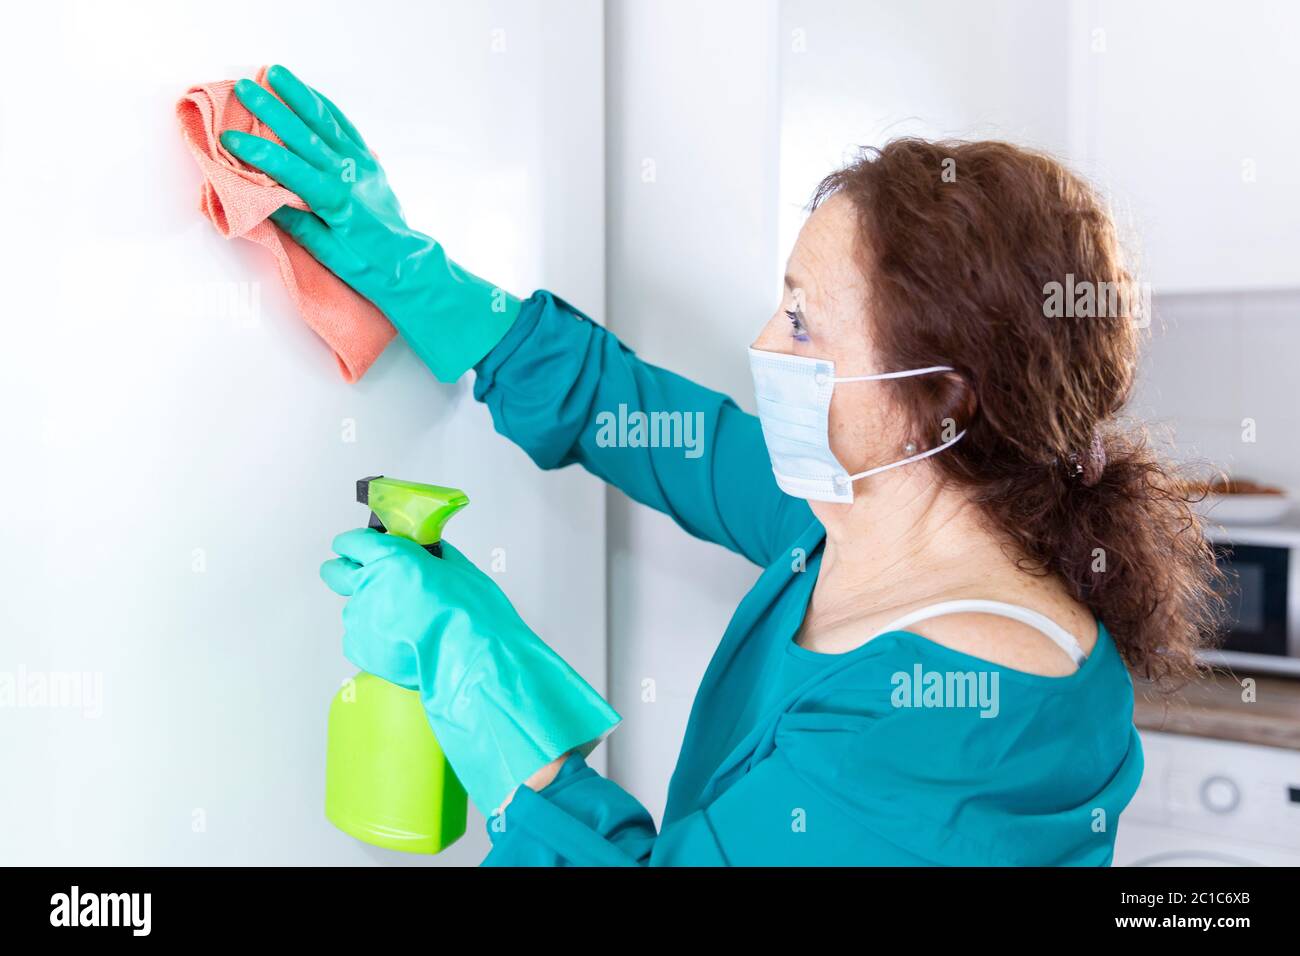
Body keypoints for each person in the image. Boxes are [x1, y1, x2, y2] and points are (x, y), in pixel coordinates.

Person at [224, 66, 1221, 866]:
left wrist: (488, 691)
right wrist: (412, 270)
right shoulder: (852, 509)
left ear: (943, 398)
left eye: (801, 320)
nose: (762, 343)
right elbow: (657, 429)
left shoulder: (965, 722)